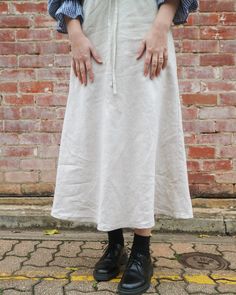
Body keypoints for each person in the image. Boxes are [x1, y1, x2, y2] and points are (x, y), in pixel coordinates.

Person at [48, 0, 198, 294]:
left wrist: (160, 25)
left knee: (143, 137)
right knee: (101, 137)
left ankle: (141, 249)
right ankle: (114, 243)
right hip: (94, 38)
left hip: (145, 34)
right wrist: (75, 35)